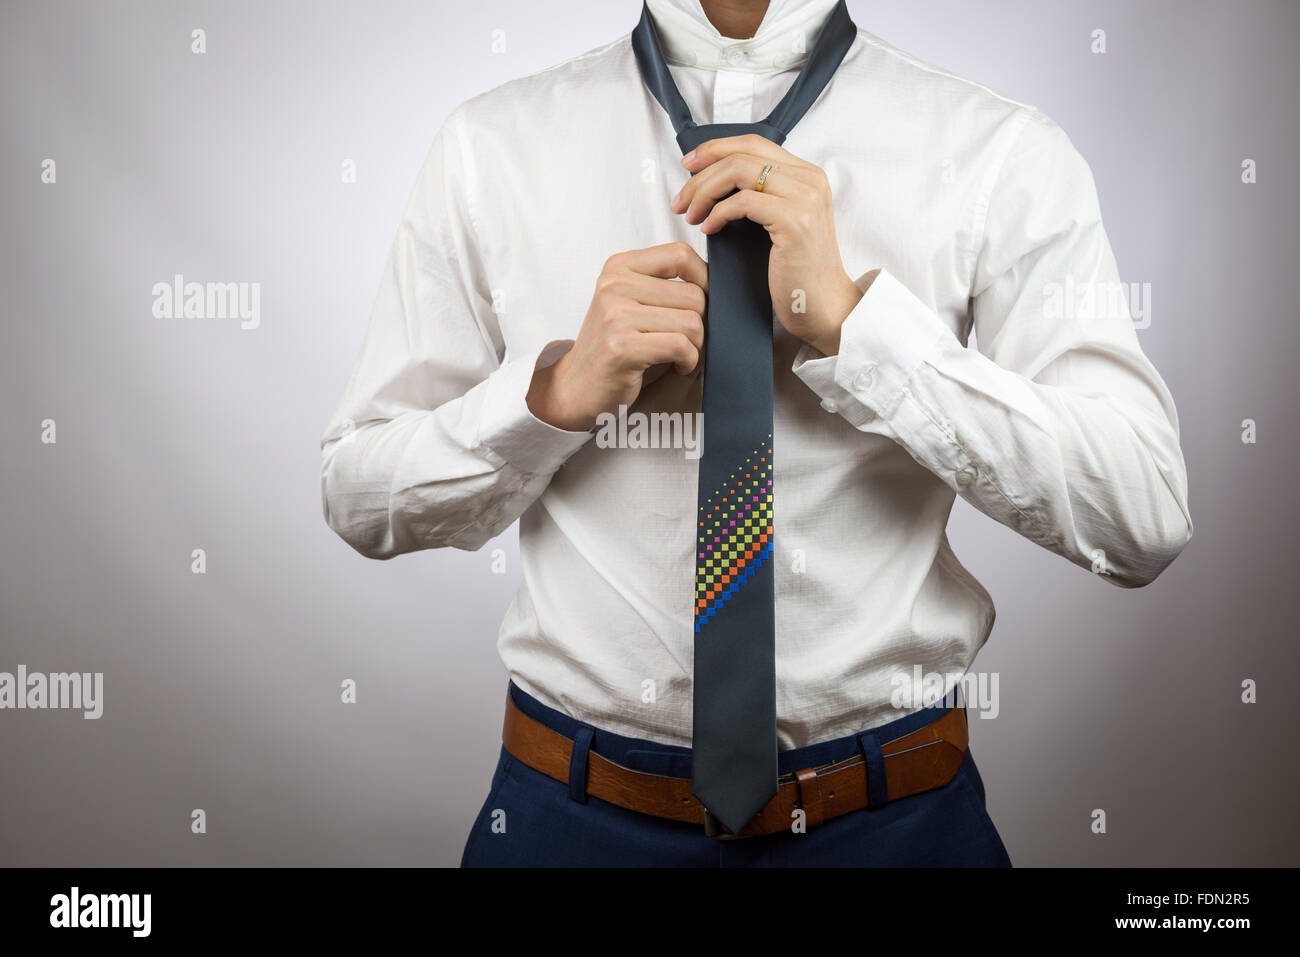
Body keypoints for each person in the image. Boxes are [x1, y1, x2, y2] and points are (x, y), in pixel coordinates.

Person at [319, 0, 1192, 867]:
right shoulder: (490, 146)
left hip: (896, 828)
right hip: (570, 824)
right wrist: (551, 394)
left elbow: (1141, 514)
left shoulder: (999, 151)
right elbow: (359, 492)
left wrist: (861, 330)